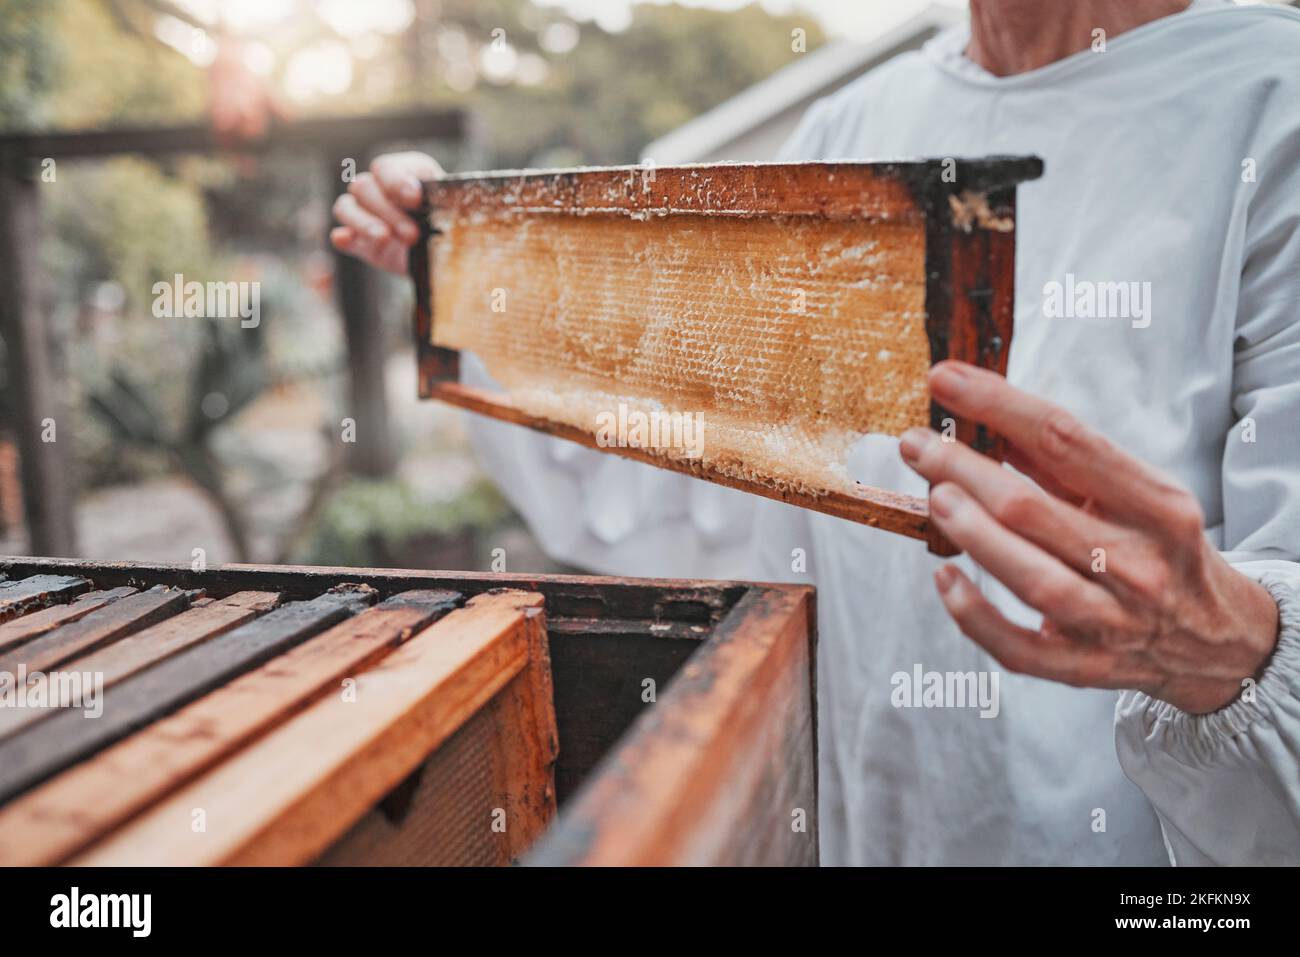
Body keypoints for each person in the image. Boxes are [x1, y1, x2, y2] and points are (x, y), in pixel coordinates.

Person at [332, 0, 1300, 865]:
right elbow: (722, 466)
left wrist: (1234, 647)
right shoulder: (857, 123)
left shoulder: (1271, 103)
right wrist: (461, 267)